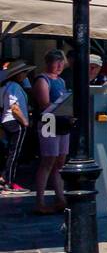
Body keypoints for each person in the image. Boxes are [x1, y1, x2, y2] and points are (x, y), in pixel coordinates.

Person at [31, 49, 70, 214]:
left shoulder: (61, 80)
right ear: (49, 63)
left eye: (61, 62)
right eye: (57, 62)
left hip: (62, 122)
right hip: (48, 122)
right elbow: (45, 104)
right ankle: (40, 201)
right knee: (48, 160)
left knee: (60, 161)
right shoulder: (42, 79)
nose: (60, 65)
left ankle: (60, 197)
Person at [1, 62, 34, 193]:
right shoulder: (14, 87)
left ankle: (5, 178)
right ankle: (9, 182)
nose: (26, 75)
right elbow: (15, 108)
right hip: (15, 122)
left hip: (7, 121)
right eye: (24, 73)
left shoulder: (6, 86)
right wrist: (25, 122)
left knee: (9, 152)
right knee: (14, 154)